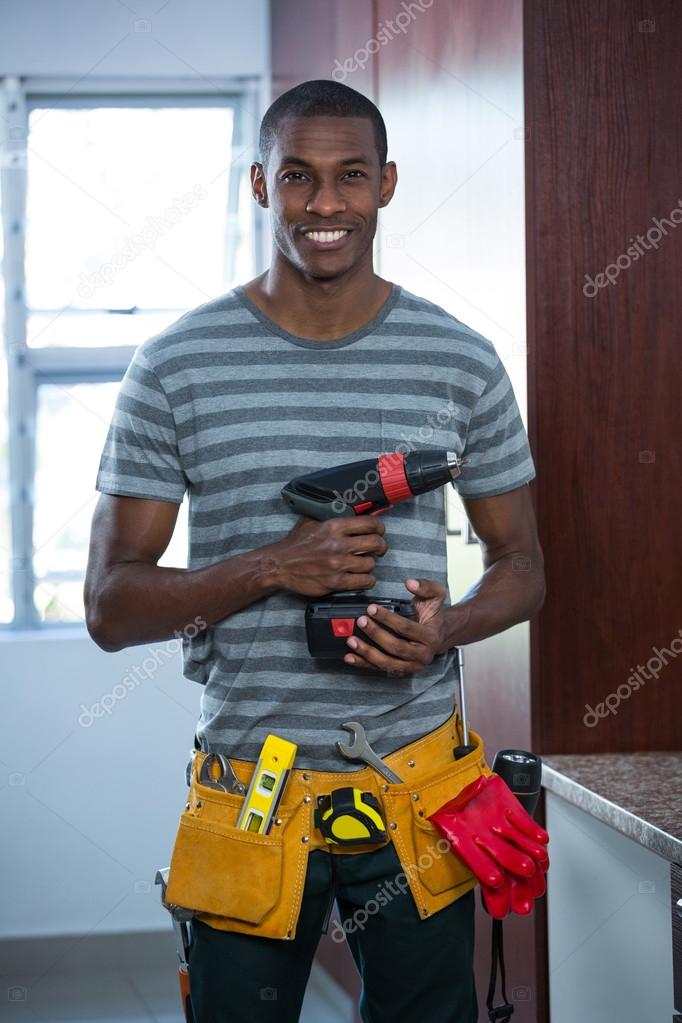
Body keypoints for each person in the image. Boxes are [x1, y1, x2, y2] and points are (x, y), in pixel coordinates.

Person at [85, 79, 545, 1023]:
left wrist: (447, 626)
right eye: (299, 176)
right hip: (250, 789)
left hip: (417, 785)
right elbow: (109, 607)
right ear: (261, 185)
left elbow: (525, 566)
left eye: (349, 178)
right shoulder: (177, 365)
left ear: (387, 184)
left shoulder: (461, 361)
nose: (325, 204)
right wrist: (272, 565)